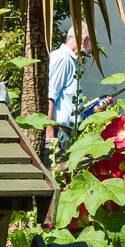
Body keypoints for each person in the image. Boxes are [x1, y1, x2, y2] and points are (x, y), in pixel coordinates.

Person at [46, 23, 92, 153]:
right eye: (91, 41)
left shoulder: (70, 60)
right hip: (58, 133)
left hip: (65, 133)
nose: (92, 47)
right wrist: (49, 134)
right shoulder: (63, 58)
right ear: (84, 40)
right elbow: (49, 96)